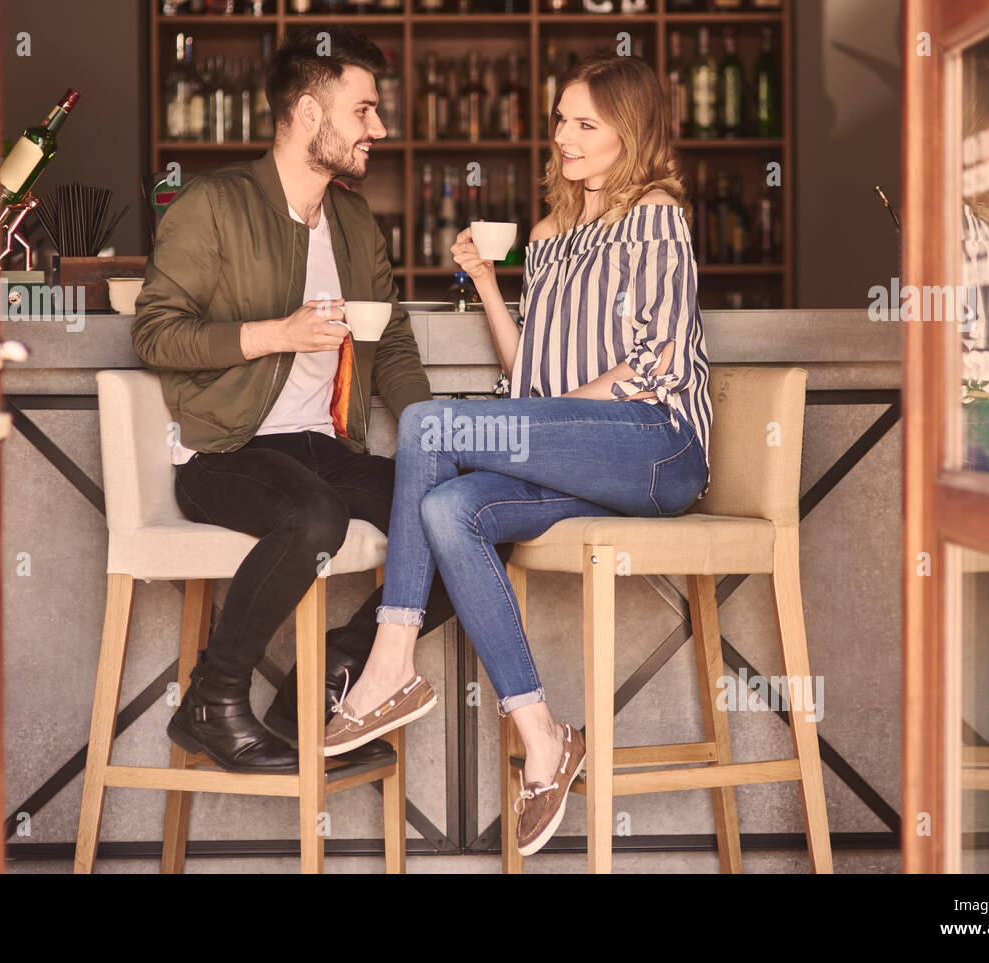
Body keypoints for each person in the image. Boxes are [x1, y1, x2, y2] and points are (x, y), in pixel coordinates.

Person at [323, 53, 713, 857]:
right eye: (561, 118)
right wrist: (490, 285)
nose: (563, 136)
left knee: (430, 427)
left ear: (628, 134)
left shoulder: (657, 215)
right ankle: (545, 738)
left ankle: (390, 659)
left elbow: (655, 363)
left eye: (585, 124)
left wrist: (538, 423)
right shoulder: (547, 233)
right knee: (446, 508)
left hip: (654, 447)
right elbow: (528, 372)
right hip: (580, 453)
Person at [131, 26, 509, 774]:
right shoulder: (214, 204)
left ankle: (324, 688)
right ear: (310, 112)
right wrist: (277, 333)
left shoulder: (355, 221)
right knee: (314, 516)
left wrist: (432, 433)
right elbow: (154, 333)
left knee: (474, 518)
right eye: (364, 110)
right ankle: (213, 698)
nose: (380, 128)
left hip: (324, 449)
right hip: (226, 450)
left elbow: (392, 341)